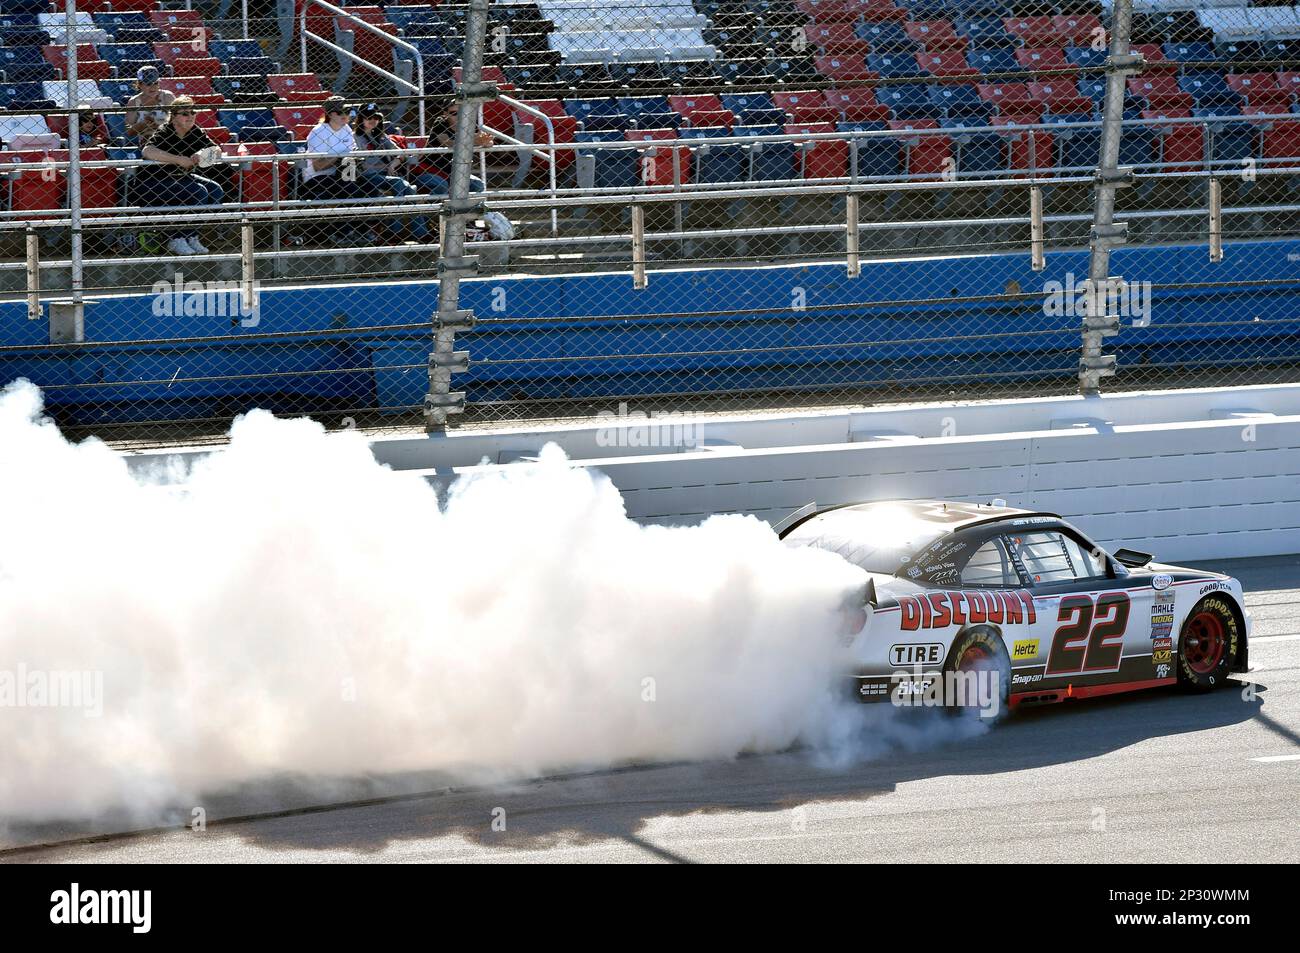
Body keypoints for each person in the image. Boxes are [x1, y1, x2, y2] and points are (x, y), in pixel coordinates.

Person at [136, 96, 224, 256]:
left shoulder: (195, 131)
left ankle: (191, 236)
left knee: (214, 190)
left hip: (180, 178)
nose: (190, 116)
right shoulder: (165, 131)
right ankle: (176, 238)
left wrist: (201, 154)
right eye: (185, 113)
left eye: (193, 112)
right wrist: (178, 159)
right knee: (199, 191)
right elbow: (147, 151)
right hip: (152, 181)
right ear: (174, 117)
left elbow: (217, 150)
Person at [299, 96, 377, 245]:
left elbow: (351, 154)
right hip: (318, 178)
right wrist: (339, 157)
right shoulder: (318, 132)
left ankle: (361, 230)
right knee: (349, 188)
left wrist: (349, 158)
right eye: (343, 112)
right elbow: (317, 166)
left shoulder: (346, 129)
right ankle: (343, 232)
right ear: (331, 114)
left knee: (369, 188)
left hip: (343, 174)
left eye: (348, 111)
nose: (346, 115)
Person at [352, 102, 423, 239]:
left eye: (376, 117)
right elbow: (363, 165)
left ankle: (420, 233)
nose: (373, 120)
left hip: (386, 175)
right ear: (360, 119)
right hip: (367, 177)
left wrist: (392, 165)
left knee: (410, 189)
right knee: (399, 183)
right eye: (368, 117)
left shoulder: (380, 136)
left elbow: (400, 154)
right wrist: (386, 166)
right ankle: (393, 232)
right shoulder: (355, 137)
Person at [409, 97, 490, 197]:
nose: (459, 116)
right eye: (454, 113)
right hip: (429, 170)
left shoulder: (469, 123)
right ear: (445, 114)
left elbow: (486, 142)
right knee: (441, 184)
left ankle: (469, 211)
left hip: (453, 172)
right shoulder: (441, 122)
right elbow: (446, 142)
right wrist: (473, 141)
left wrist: (485, 142)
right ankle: (435, 211)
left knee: (477, 185)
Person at [124, 66, 174, 143]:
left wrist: (158, 124)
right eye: (148, 84)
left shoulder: (167, 96)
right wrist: (144, 124)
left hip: (169, 138)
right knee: (148, 137)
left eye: (156, 83)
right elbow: (129, 132)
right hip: (147, 140)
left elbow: (177, 121)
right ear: (140, 85)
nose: (153, 87)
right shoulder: (134, 102)